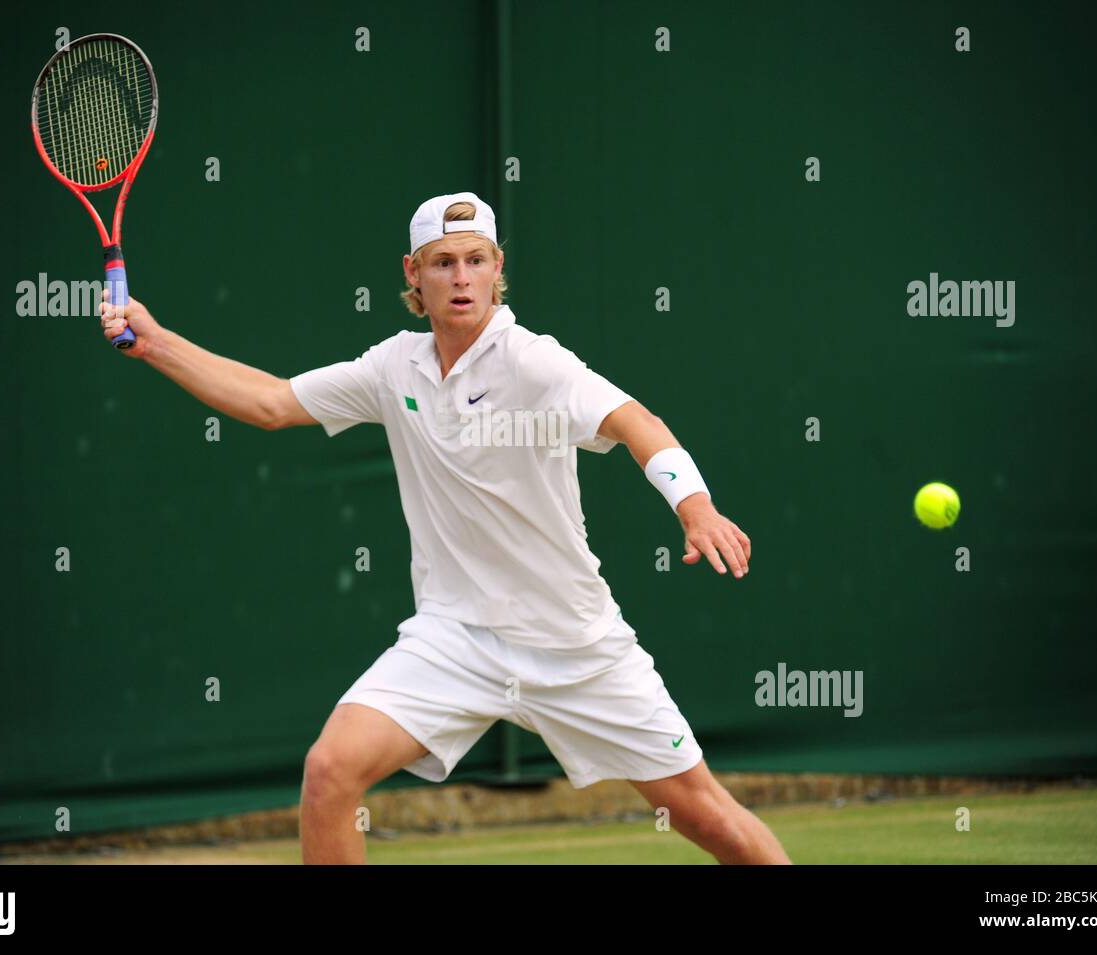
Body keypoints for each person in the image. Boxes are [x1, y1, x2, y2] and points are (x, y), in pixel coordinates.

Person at [99, 191, 791, 865]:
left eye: (476, 260)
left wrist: (694, 506)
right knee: (330, 771)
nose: (462, 278)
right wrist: (156, 343)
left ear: (497, 268)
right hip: (454, 637)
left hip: (575, 643)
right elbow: (271, 402)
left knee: (712, 820)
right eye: (443, 262)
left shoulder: (535, 361)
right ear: (413, 274)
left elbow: (637, 422)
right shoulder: (392, 366)